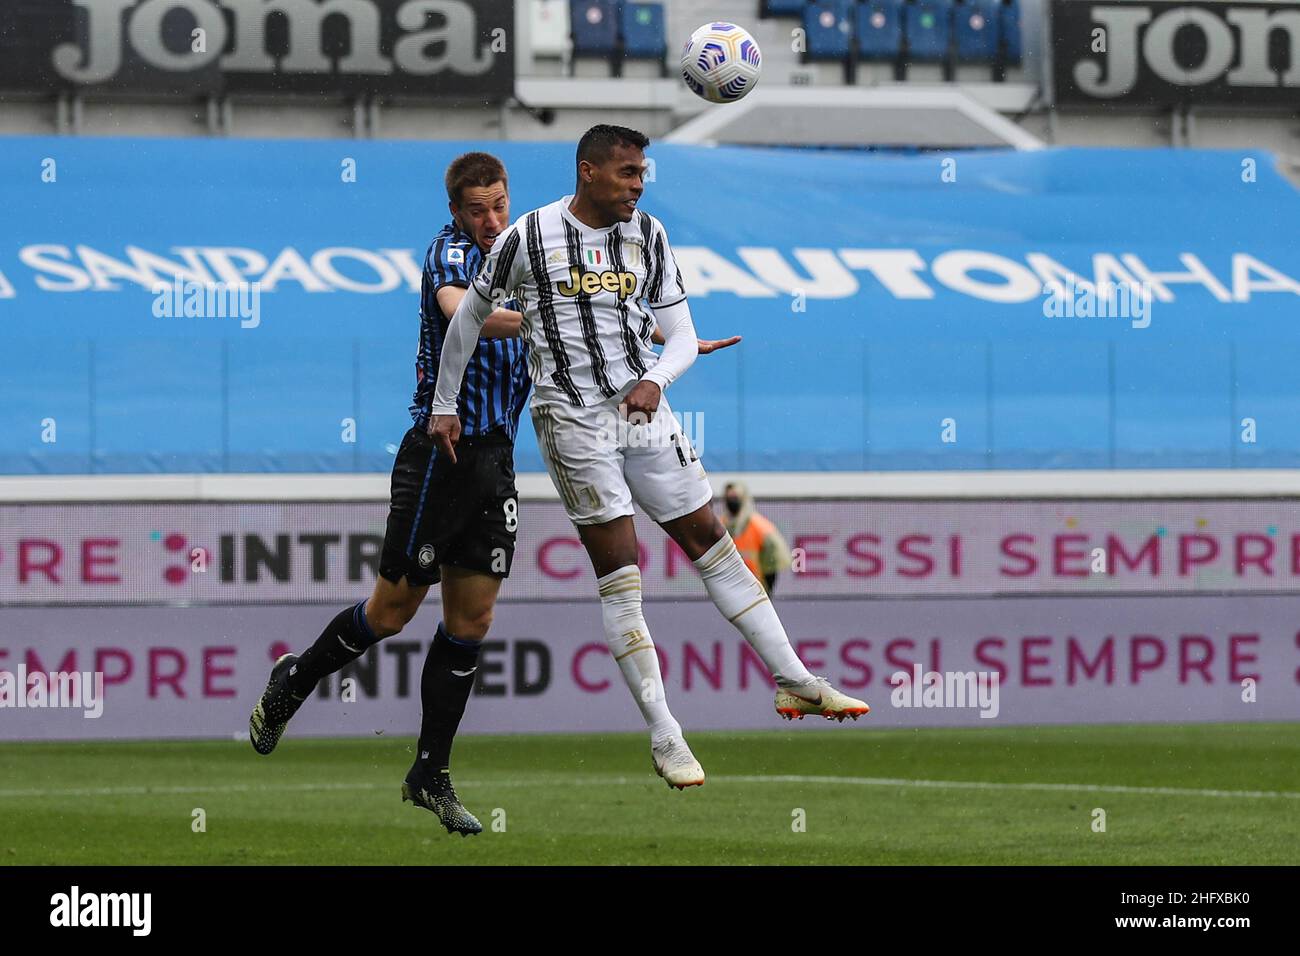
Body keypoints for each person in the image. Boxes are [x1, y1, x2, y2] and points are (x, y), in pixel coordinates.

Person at [248, 151, 740, 835]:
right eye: (477, 210)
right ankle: (295, 680)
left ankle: (430, 773)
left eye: (499, 205)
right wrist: (543, 317)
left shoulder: (526, 255)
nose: (490, 219)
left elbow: (595, 312)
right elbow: (462, 313)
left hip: (496, 461)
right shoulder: (450, 255)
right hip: (440, 454)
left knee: (471, 621)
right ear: (455, 211)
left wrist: (671, 339)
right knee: (392, 612)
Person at [427, 125, 869, 793]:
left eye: (642, 172)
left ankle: (794, 680)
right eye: (628, 172)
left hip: (643, 410)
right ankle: (665, 734)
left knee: (712, 542)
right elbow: (467, 319)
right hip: (572, 420)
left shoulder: (649, 235)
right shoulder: (529, 236)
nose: (639, 183)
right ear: (588, 172)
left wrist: (657, 379)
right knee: (622, 574)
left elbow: (683, 335)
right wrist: (445, 403)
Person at [721, 481, 791, 595]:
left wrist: (766, 590)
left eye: (735, 497)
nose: (731, 501)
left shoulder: (760, 527)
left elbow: (773, 561)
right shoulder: (721, 525)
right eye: (729, 498)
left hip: (756, 589)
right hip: (732, 590)